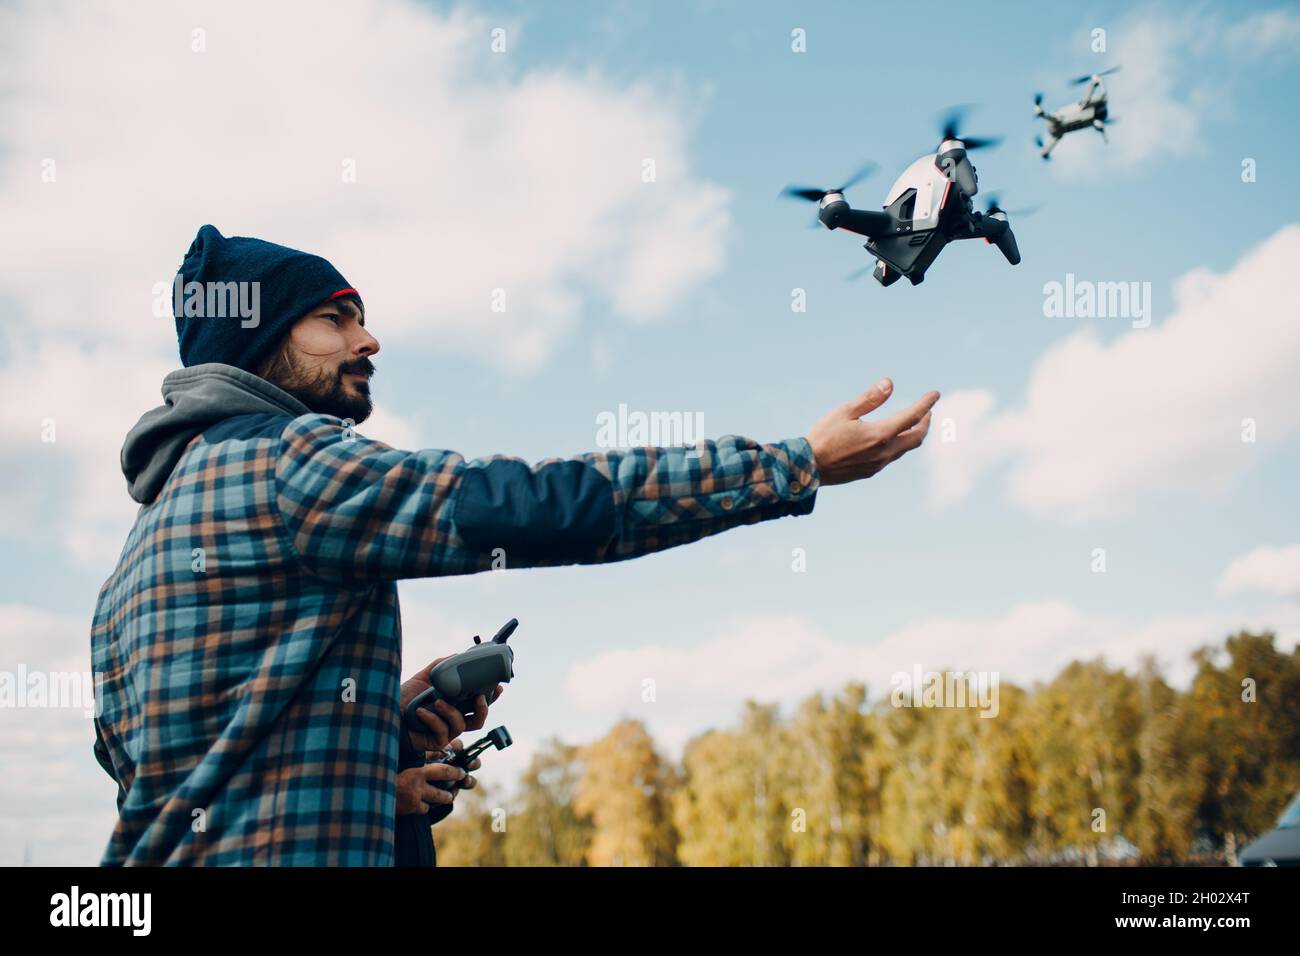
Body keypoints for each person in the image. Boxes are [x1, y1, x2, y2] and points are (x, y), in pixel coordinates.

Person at [91, 224, 939, 865]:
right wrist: (794, 466)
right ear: (258, 341)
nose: (368, 339)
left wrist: (383, 738)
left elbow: (206, 774)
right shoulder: (289, 463)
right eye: (334, 319)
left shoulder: (128, 569)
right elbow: (530, 505)